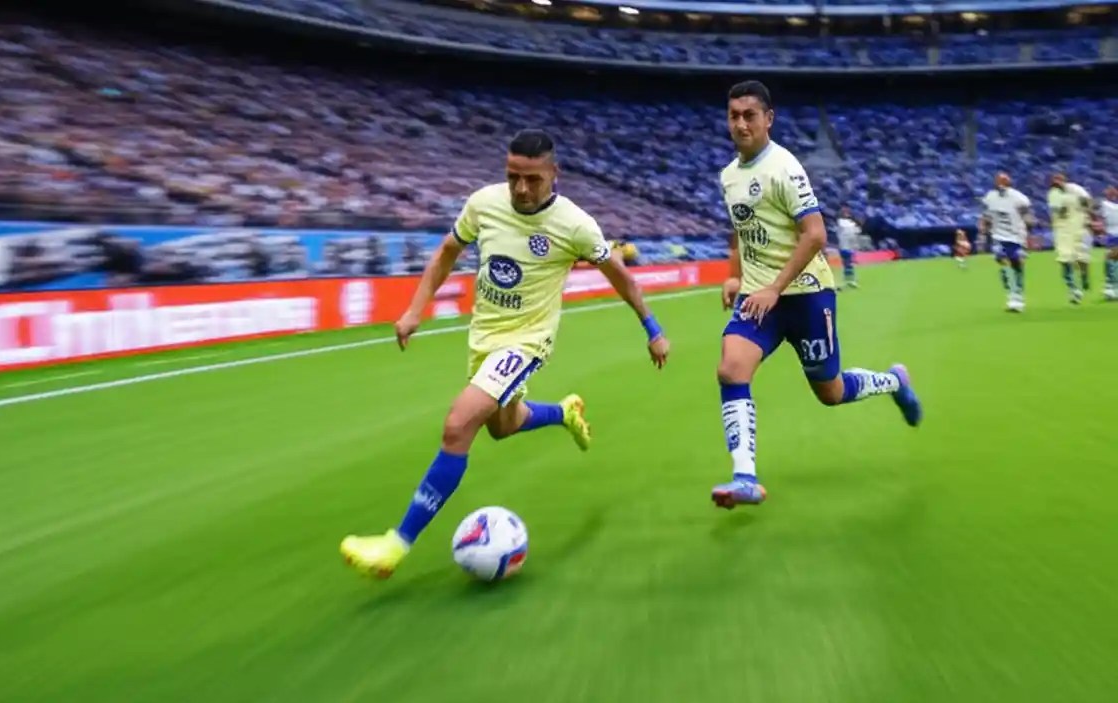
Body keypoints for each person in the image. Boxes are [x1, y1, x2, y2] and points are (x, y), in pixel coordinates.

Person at [340, 129, 671, 577]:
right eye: (513, 176)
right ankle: (565, 413)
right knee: (503, 425)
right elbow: (446, 253)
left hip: (527, 342)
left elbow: (622, 277)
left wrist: (652, 328)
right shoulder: (483, 204)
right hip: (484, 339)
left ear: (554, 174)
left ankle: (395, 545)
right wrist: (415, 311)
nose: (521, 188)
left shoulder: (575, 225)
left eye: (532, 179)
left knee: (459, 425)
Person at [711, 80, 922, 510]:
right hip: (758, 298)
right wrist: (735, 277)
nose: (740, 123)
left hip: (806, 294)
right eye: (734, 115)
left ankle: (893, 381)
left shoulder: (785, 168)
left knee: (830, 391)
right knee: (732, 369)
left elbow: (815, 235)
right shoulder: (729, 175)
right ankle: (745, 477)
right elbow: (738, 230)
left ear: (768, 119)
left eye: (749, 115)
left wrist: (775, 288)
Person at [980, 172, 1033, 311]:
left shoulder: (1018, 197)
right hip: (998, 236)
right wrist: (983, 232)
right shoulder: (990, 197)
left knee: (1016, 265)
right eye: (999, 181)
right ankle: (1012, 294)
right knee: (1003, 262)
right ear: (995, 182)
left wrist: (1028, 235)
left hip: (1015, 236)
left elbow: (1027, 215)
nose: (1001, 184)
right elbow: (986, 215)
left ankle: (1018, 296)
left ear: (1009, 183)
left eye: (1004, 181)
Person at [1047, 172, 1093, 304]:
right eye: (1054, 182)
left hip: (1079, 228)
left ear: (1064, 181)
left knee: (1082, 258)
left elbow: (1087, 202)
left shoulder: (1075, 189)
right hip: (1062, 231)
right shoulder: (1053, 195)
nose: (1056, 184)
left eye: (1059, 181)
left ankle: (1084, 275)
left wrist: (1087, 214)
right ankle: (1073, 289)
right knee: (1065, 260)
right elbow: (1058, 211)